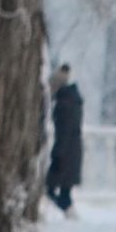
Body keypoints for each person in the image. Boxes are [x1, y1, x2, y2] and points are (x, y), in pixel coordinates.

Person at [45, 64, 86, 216]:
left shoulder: (64, 104)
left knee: (51, 188)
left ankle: (70, 215)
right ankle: (70, 214)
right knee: (63, 191)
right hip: (71, 151)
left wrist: (58, 153)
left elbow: (64, 130)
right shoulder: (72, 100)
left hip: (65, 152)